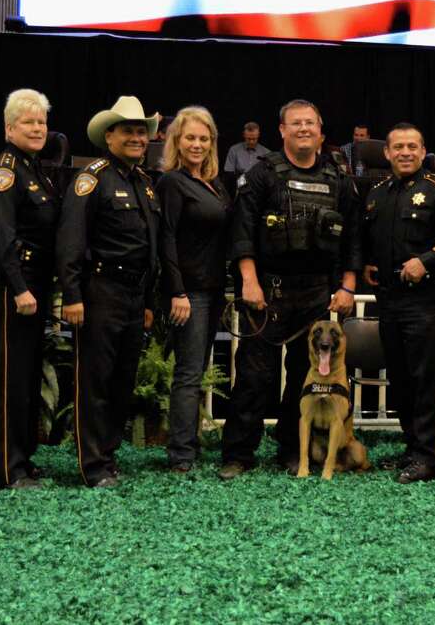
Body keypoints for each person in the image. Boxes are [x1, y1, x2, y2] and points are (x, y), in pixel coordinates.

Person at [218, 99, 362, 480]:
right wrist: (248, 281)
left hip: (316, 294)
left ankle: (289, 450)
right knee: (254, 377)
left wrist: (347, 286)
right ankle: (238, 454)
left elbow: (353, 238)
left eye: (310, 123)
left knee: (303, 377)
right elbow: (242, 231)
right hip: (268, 292)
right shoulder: (261, 174)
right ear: (281, 130)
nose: (303, 129)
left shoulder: (337, 177)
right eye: (295, 123)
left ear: (320, 132)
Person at [57, 96, 160, 488]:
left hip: (134, 296)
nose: (136, 138)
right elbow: (71, 241)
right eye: (128, 131)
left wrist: (150, 301)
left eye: (141, 131)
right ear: (109, 135)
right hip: (100, 291)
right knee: (95, 381)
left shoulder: (144, 184)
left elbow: (149, 248)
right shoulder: (92, 178)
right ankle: (92, 463)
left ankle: (109, 454)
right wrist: (71, 295)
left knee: (122, 381)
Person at [362, 123, 435, 482]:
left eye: (412, 146)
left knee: (425, 378)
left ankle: (428, 456)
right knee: (400, 377)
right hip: (389, 300)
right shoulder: (377, 193)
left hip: (427, 300)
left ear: (423, 149)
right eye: (398, 147)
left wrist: (426, 259)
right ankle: (412, 448)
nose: (405, 152)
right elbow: (371, 238)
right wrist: (368, 263)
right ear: (387, 152)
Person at [0, 89, 59, 490]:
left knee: (24, 377)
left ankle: (22, 460)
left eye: (42, 121)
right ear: (10, 128)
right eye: (29, 122)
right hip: (12, 285)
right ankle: (5, 471)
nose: (38, 128)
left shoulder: (33, 167)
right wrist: (19, 287)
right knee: (9, 379)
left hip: (31, 284)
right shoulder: (5, 170)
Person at [157, 106, 233, 473]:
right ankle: (181, 455)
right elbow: (166, 239)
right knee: (188, 374)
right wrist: (177, 292)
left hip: (214, 289)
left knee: (198, 369)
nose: (197, 144)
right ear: (176, 141)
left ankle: (189, 444)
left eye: (204, 138)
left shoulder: (215, 184)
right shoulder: (172, 182)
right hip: (190, 293)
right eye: (190, 137)